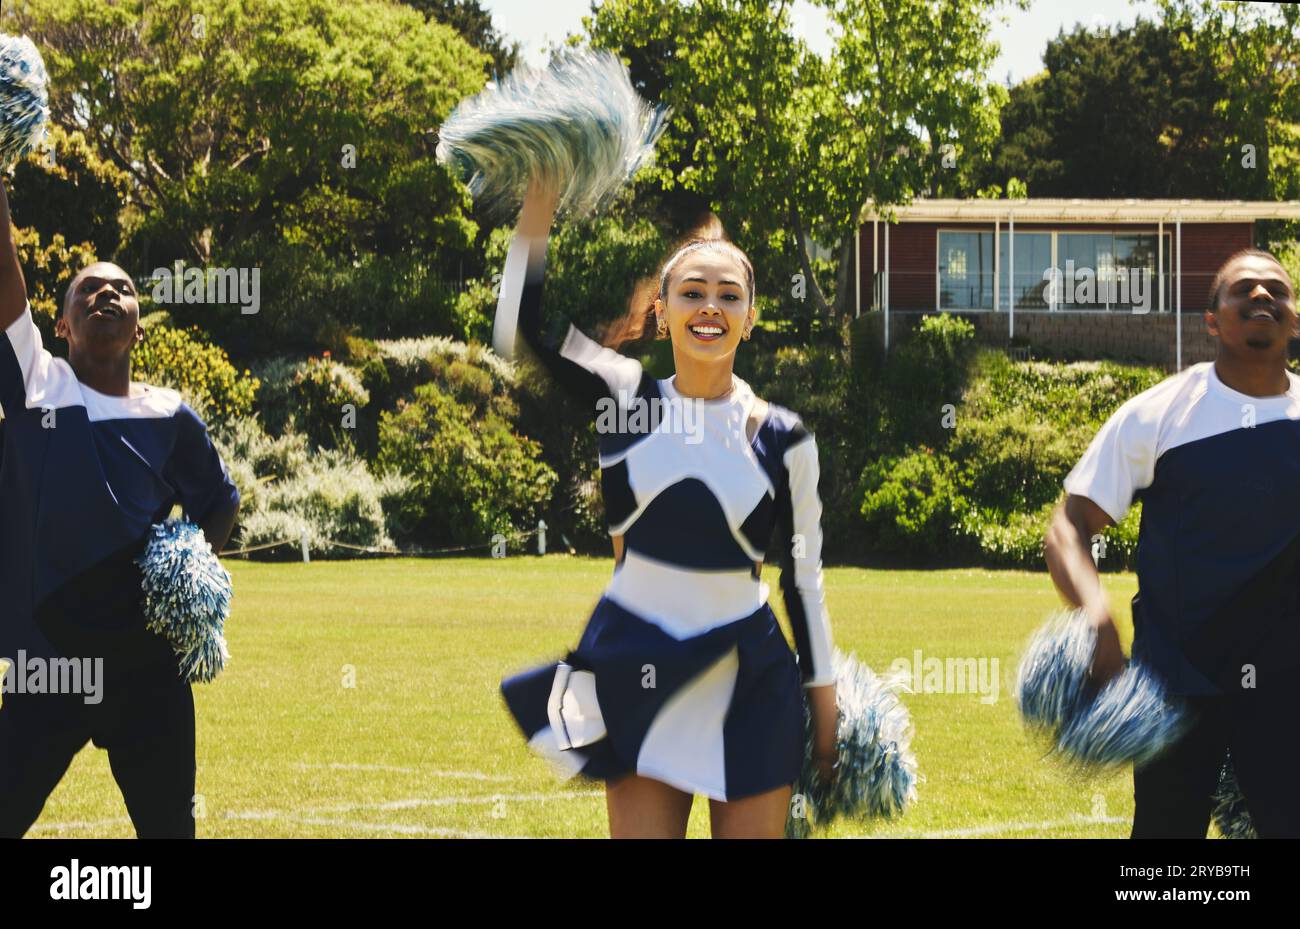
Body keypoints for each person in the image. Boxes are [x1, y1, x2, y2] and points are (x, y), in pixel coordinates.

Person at [497, 179, 838, 839]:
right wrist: (537, 206)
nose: (710, 307)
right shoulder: (622, 397)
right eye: (692, 292)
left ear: (751, 315)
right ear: (661, 309)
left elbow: (803, 582)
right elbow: (520, 326)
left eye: (728, 295)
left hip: (751, 681)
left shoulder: (785, 435)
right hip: (638, 669)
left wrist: (825, 711)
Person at [0, 175, 240, 838]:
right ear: (63, 324)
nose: (109, 292)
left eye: (124, 288)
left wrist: (193, 562)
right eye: (89, 289)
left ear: (138, 326)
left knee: (169, 828)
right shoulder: (39, 386)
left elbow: (219, 501)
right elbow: (6, 283)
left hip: (146, 661)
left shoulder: (169, 413)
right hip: (51, 655)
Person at [1044, 247, 1300, 839]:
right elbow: (1068, 527)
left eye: (1276, 290)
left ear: (1294, 318)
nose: (1261, 295)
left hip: (1287, 689)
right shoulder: (1160, 414)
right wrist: (1097, 619)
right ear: (1212, 321)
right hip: (1176, 688)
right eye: (1243, 290)